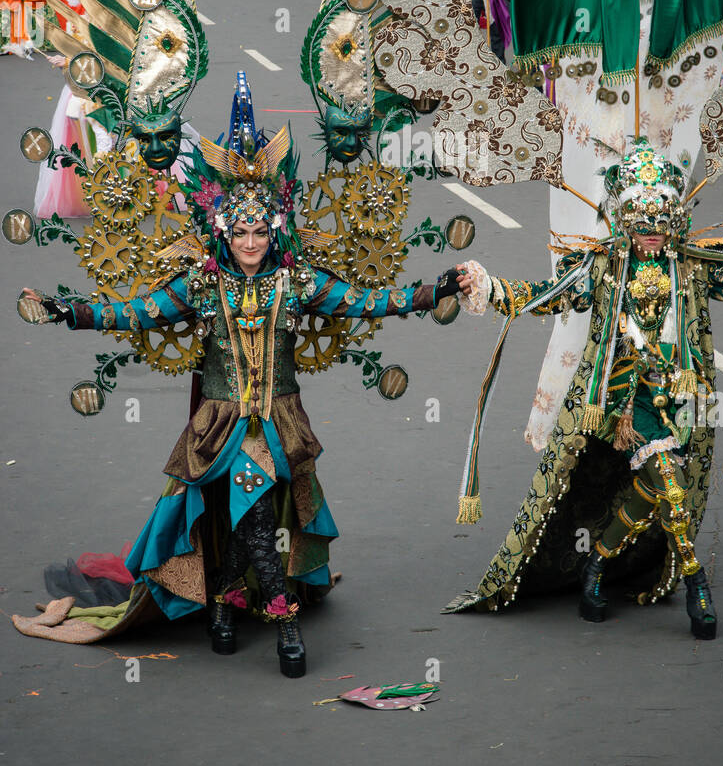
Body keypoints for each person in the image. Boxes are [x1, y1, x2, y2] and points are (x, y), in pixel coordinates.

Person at [16, 79, 464, 676]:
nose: (251, 243)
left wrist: (432, 292)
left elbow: (365, 301)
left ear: (273, 231)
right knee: (248, 512)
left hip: (278, 423)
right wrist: (63, 309)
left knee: (251, 510)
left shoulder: (296, 282)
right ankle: (282, 622)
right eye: (240, 232)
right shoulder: (201, 286)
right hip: (219, 426)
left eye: (260, 232)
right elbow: (132, 312)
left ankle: (229, 602)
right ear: (224, 231)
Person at [448, 138, 723, 638]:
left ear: (675, 220)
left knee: (657, 490)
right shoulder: (602, 266)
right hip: (624, 401)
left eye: (661, 223)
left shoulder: (694, 263)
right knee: (667, 474)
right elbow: (545, 297)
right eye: (641, 225)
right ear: (623, 223)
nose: (651, 234)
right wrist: (489, 286)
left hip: (685, 401)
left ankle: (597, 564)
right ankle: (697, 584)